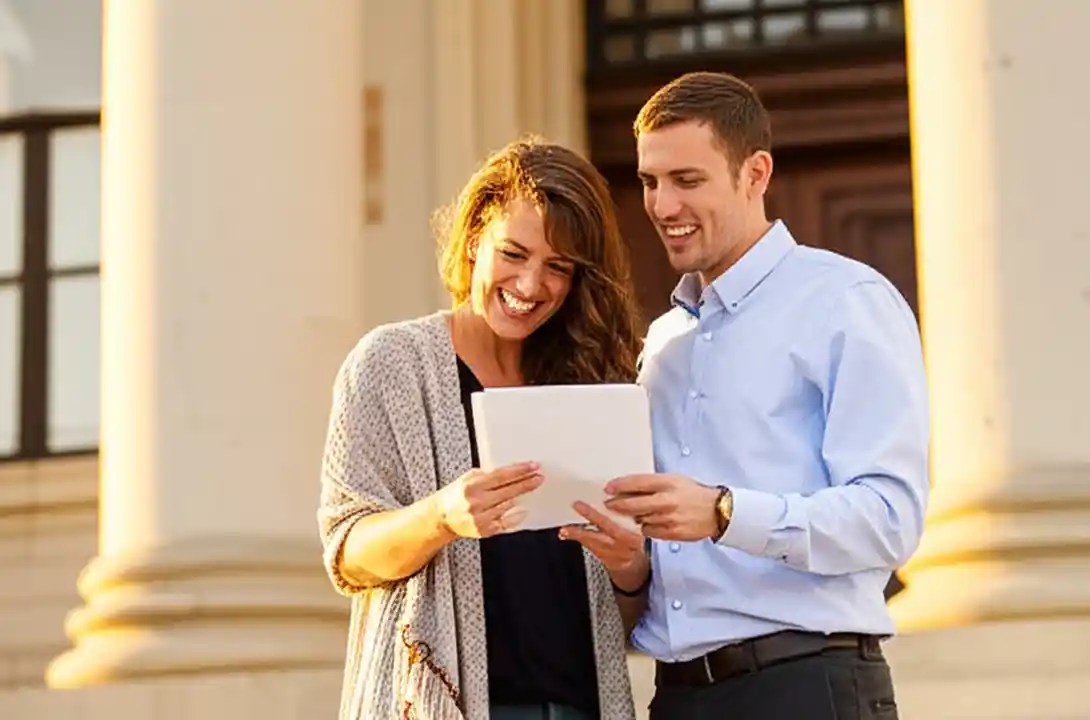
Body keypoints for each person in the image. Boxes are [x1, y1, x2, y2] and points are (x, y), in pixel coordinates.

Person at [601, 72, 929, 719]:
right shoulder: (662, 346)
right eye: (649, 182)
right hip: (676, 695)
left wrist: (725, 512)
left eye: (687, 180)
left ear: (755, 174)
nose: (662, 206)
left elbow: (890, 519)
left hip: (807, 688)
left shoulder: (844, 303)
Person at [318, 138, 650, 720]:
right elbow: (348, 554)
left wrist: (630, 570)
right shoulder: (391, 364)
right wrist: (441, 517)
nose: (530, 285)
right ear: (475, 238)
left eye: (557, 268)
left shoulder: (594, 384)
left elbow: (615, 612)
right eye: (514, 253)